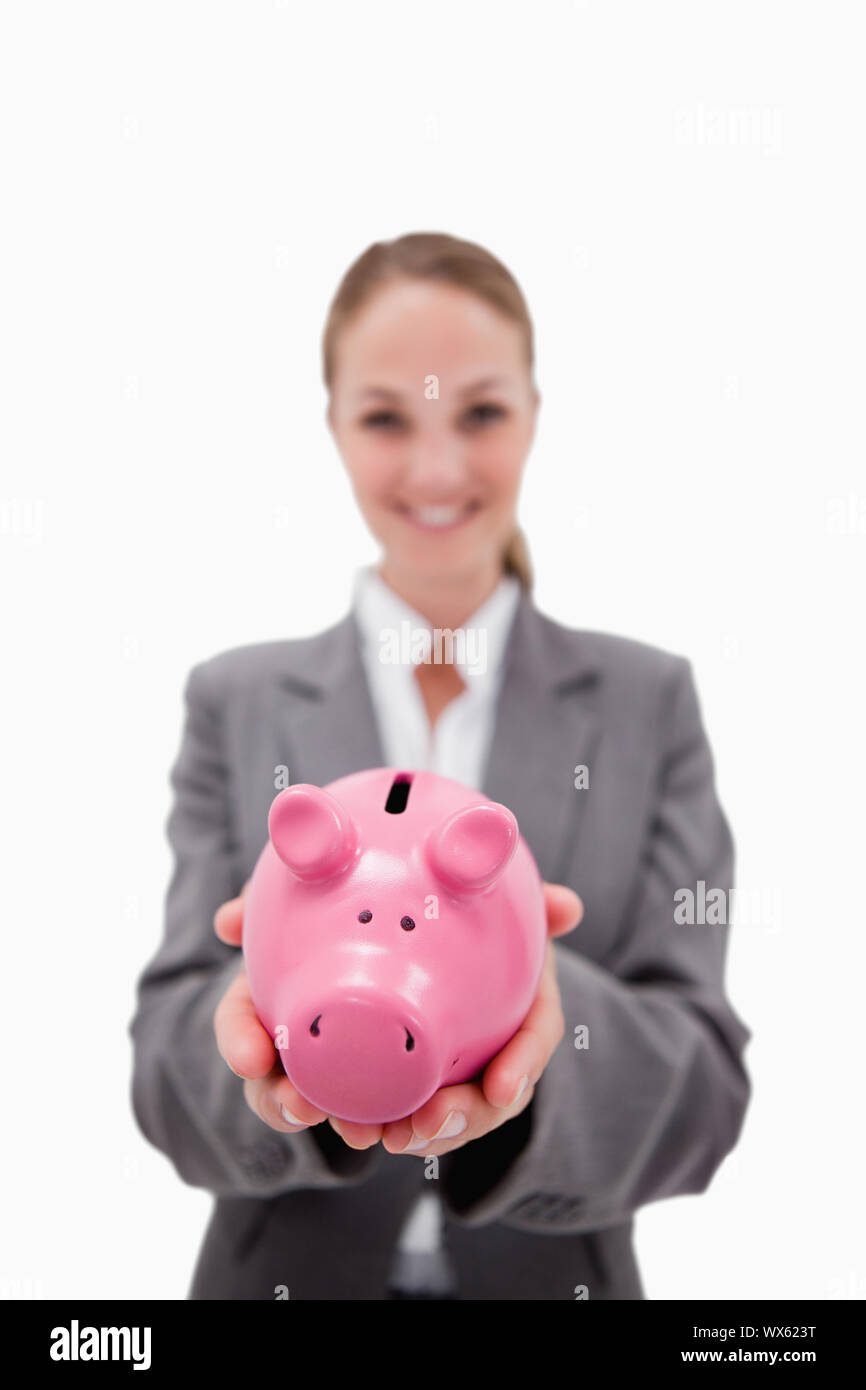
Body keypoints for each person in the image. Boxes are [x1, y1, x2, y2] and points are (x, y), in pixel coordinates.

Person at [128, 231, 752, 1300]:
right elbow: (161, 1067)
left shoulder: (647, 701)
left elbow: (703, 1087)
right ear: (331, 425)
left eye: (479, 412)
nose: (434, 470)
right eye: (384, 417)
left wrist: (523, 1003)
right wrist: (274, 1017)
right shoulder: (234, 702)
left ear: (534, 414)